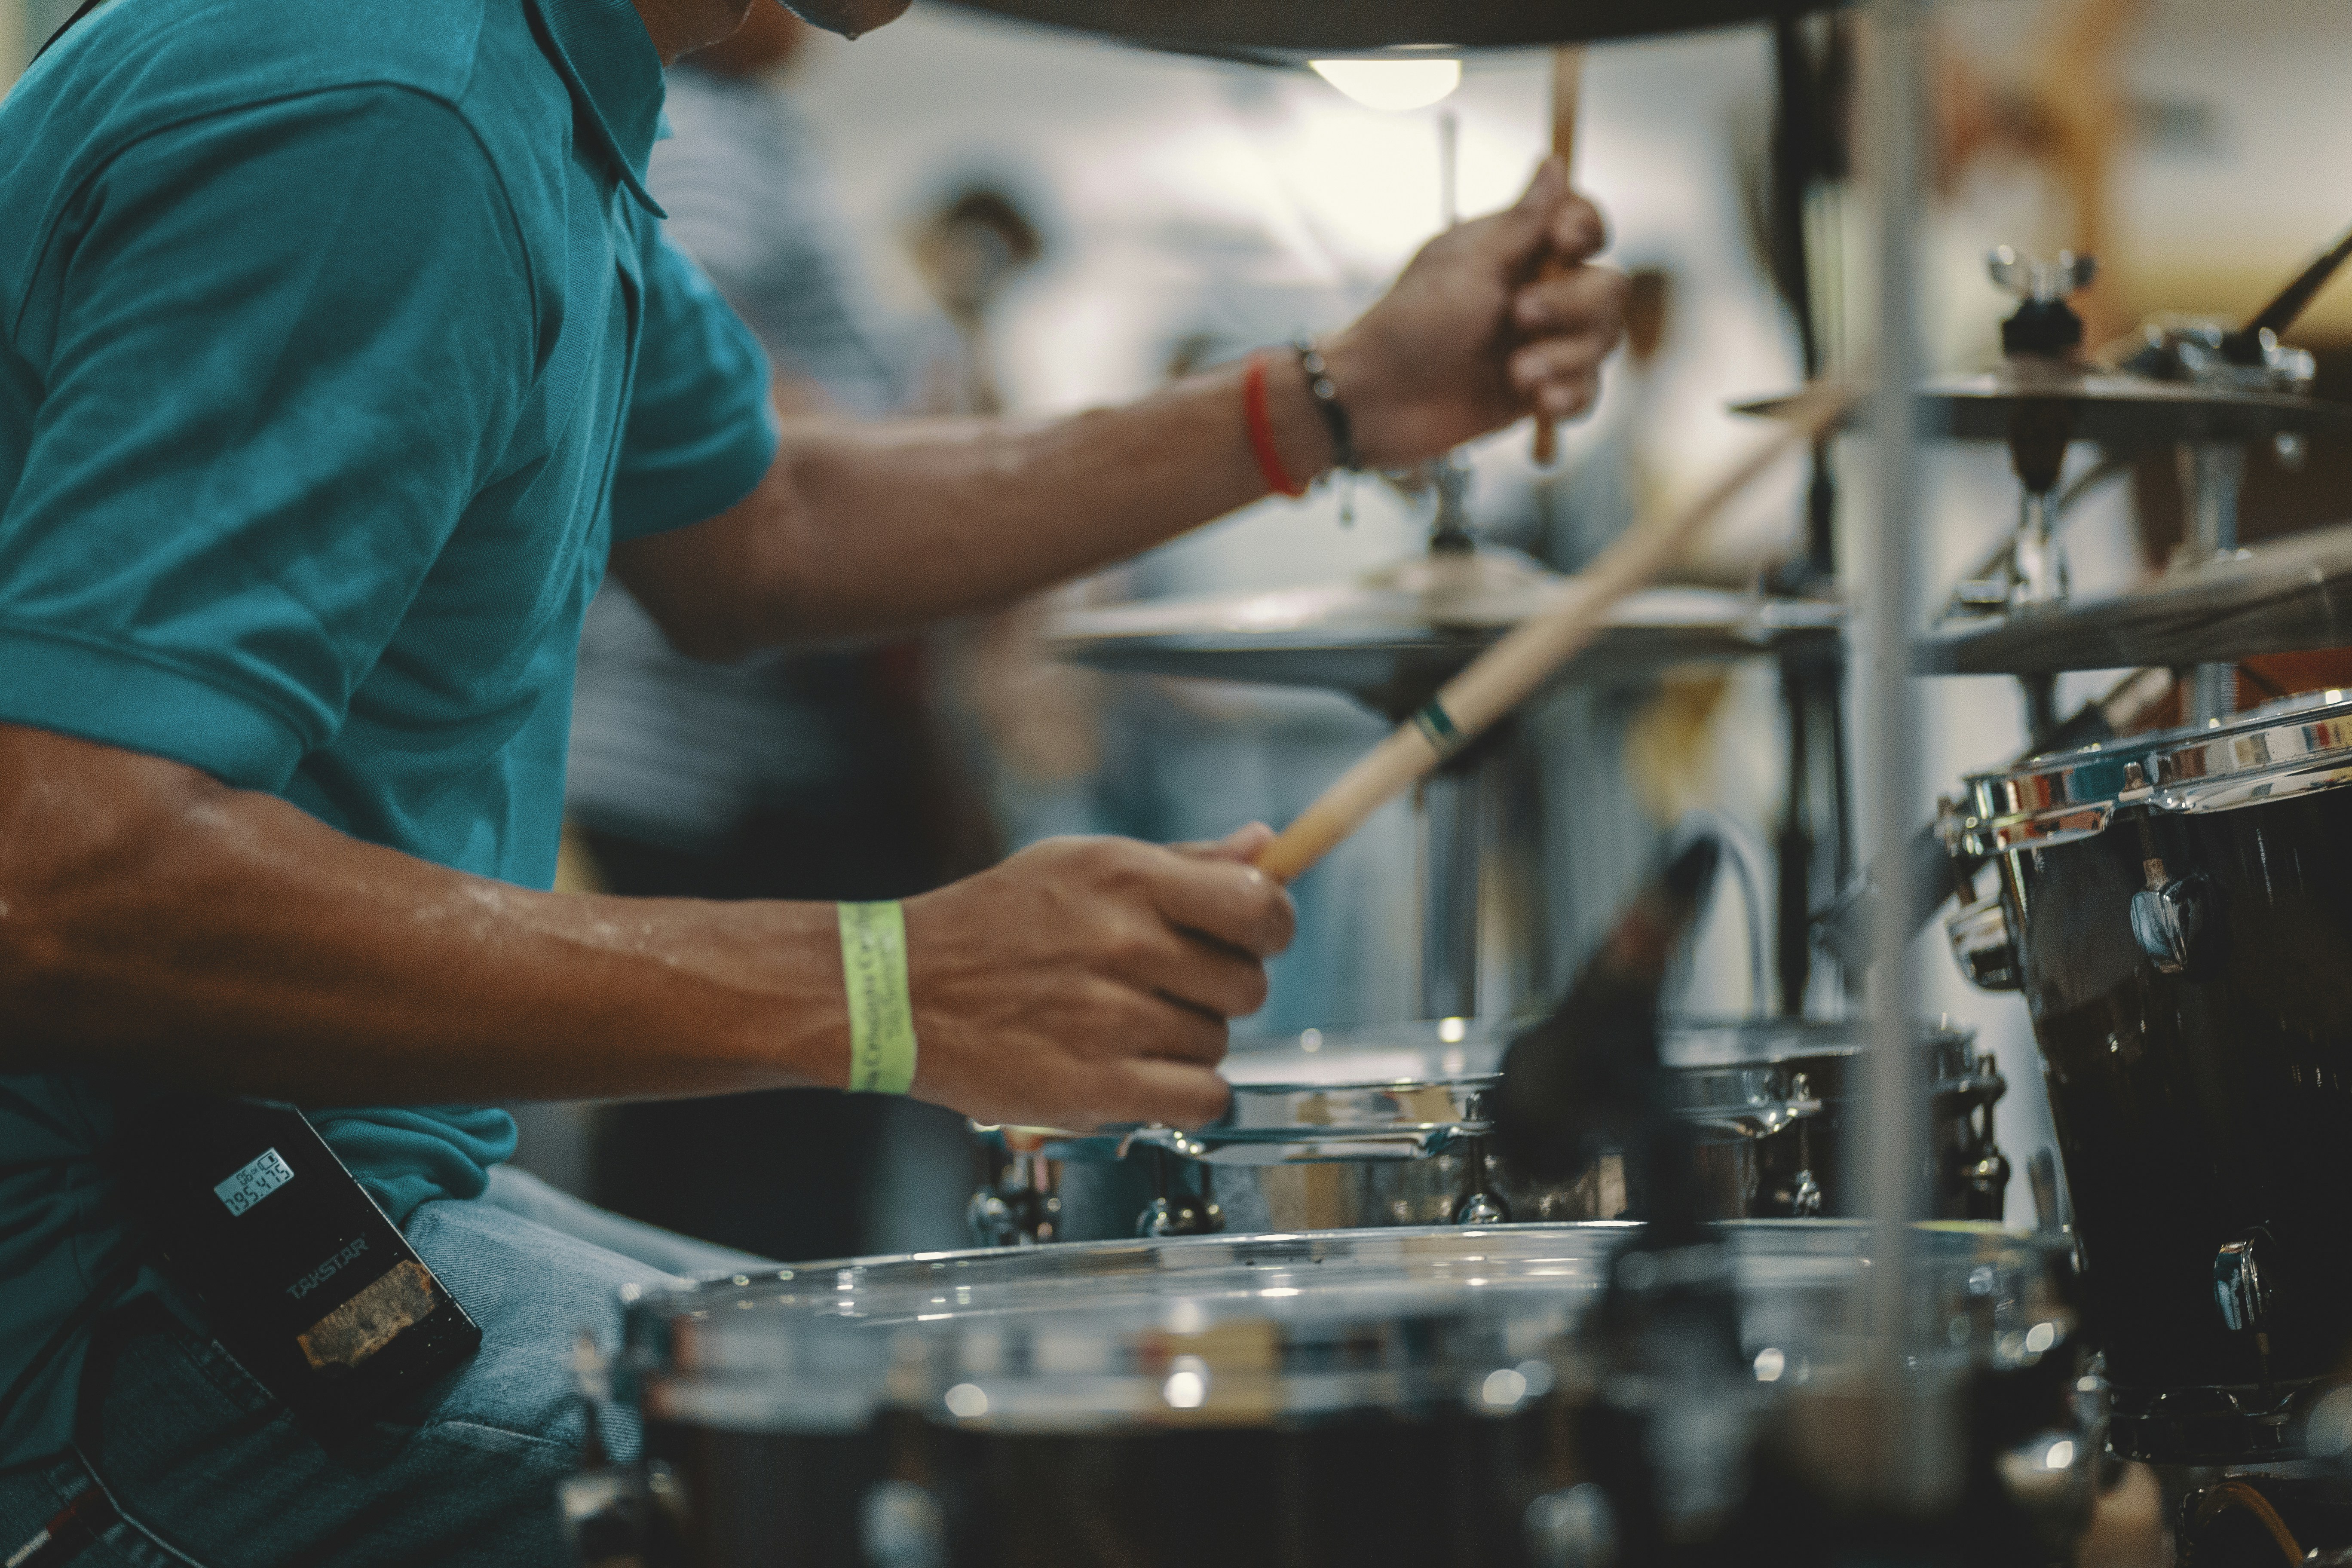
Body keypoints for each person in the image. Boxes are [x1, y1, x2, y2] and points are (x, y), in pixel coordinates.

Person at [0, 0, 1629, 1557]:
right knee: (1090, 1489)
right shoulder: (386, 111)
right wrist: (888, 984)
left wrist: (1331, 399)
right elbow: (69, 880)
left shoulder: (530, 81)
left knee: (1064, 1386)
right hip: (100, 1321)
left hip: (266, 1210)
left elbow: (764, 524)